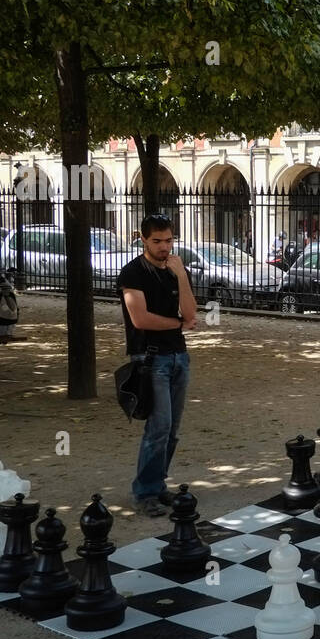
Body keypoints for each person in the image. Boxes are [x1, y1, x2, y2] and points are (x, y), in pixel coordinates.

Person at [118, 213, 198, 517]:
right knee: (159, 427)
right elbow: (141, 319)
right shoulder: (132, 273)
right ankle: (145, 492)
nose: (164, 247)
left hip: (179, 356)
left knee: (172, 429)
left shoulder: (175, 270)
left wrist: (181, 276)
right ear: (143, 239)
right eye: (157, 241)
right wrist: (178, 324)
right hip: (150, 358)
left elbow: (191, 312)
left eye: (168, 240)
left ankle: (156, 483)